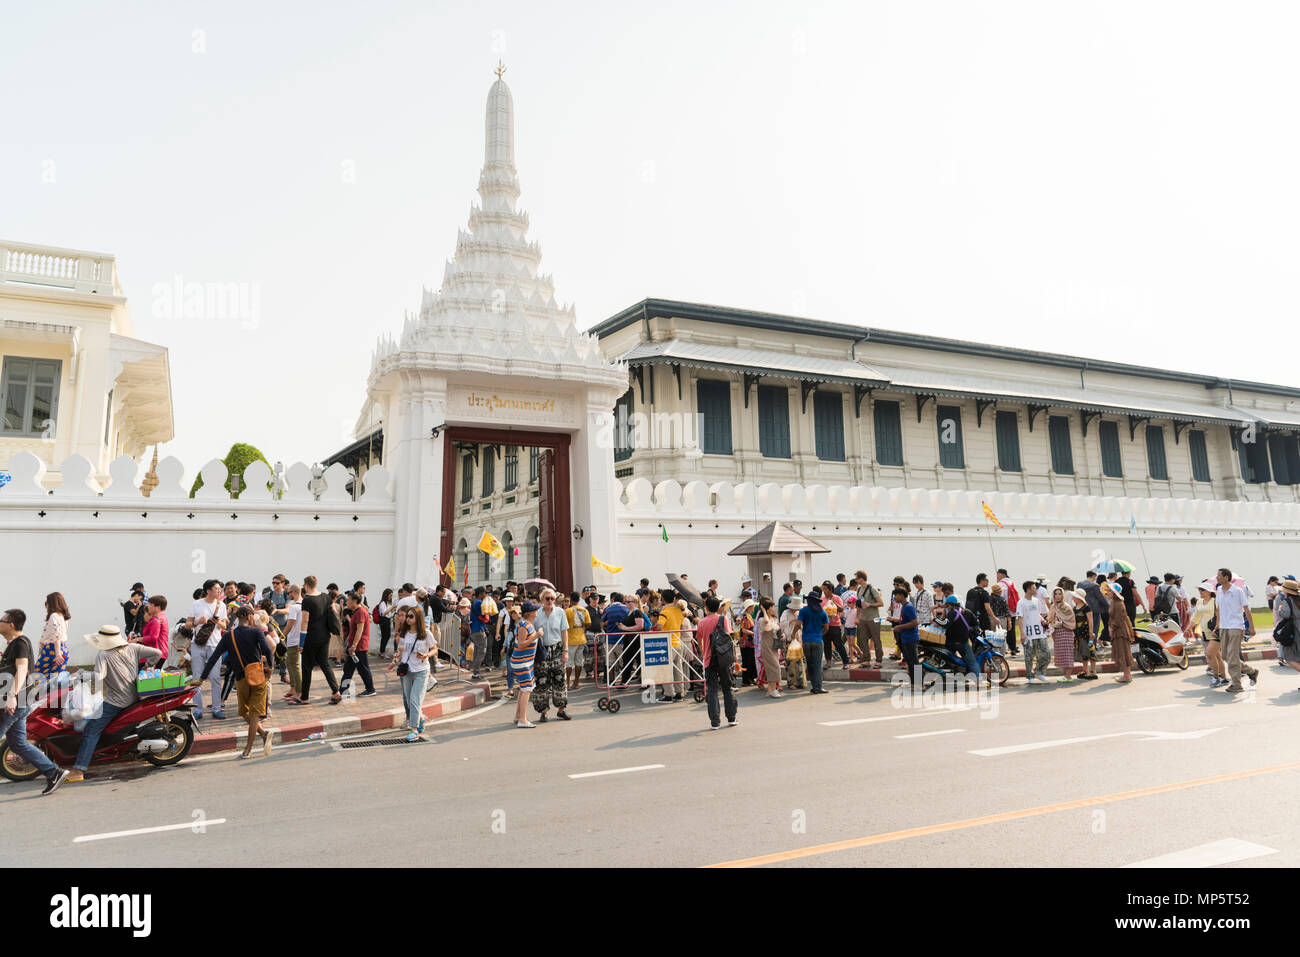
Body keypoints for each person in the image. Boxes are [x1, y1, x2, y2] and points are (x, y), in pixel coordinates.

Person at [66, 624, 164, 780]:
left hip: (117, 701)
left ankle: (79, 769)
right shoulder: (133, 647)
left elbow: (98, 677)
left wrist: (81, 675)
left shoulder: (104, 655)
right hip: (135, 695)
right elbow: (158, 653)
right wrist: (147, 666)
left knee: (91, 730)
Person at [0, 609, 70, 795]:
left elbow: (22, 670)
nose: (0, 623)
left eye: (2, 620)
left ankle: (53, 771)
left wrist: (12, 696)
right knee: (18, 744)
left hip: (16, 702)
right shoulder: (12, 645)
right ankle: (54, 772)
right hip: (19, 701)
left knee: (17, 743)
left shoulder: (21, 643)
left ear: (11, 624)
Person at [196, 606, 275, 758]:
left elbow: (213, 658)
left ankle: (250, 747)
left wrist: (201, 678)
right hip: (258, 677)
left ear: (238, 617)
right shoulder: (257, 632)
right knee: (250, 715)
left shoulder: (228, 636)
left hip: (240, 679)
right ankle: (261, 737)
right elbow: (268, 650)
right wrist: (270, 667)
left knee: (247, 714)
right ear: (249, 616)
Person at [291, 575, 342, 706]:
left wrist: (301, 642)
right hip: (325, 636)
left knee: (307, 667)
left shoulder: (307, 600)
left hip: (311, 637)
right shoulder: (326, 597)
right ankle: (336, 691)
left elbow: (305, 621)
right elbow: (331, 615)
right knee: (325, 664)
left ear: (306, 586)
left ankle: (304, 697)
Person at [389, 606, 435, 741]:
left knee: (415, 699)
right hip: (407, 671)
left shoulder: (426, 633)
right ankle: (421, 718)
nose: (407, 619)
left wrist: (426, 655)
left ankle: (414, 730)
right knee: (409, 701)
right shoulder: (404, 633)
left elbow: (435, 649)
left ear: (418, 618)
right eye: (406, 616)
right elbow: (400, 650)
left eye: (410, 616)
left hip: (421, 671)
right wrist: (394, 661)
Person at [186, 579, 228, 719]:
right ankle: (198, 710)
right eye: (216, 588)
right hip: (198, 644)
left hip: (215, 644)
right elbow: (187, 624)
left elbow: (224, 626)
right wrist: (198, 622)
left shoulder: (221, 605)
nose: (219, 591)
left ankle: (216, 708)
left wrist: (219, 623)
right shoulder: (197, 604)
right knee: (197, 677)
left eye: (220, 589)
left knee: (215, 677)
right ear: (208, 590)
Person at [1214, 568, 1258, 694]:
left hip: (1236, 626)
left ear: (1226, 577)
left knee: (1232, 656)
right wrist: (1217, 625)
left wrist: (1252, 627)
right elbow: (1218, 609)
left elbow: (1246, 609)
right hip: (1224, 627)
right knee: (1225, 656)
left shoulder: (1237, 591)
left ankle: (1236, 684)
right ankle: (1251, 671)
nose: (1217, 578)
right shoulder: (1219, 590)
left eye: (1219, 576)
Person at [697, 597, 738, 729]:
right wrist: (734, 656)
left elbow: (699, 640)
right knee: (727, 687)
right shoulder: (723, 619)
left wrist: (704, 653)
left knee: (713, 690)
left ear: (706, 608)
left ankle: (715, 722)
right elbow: (729, 638)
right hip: (724, 658)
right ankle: (731, 718)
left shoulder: (702, 622)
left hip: (709, 659)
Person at [533, 590, 571, 721]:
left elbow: (564, 631)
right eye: (547, 598)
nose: (550, 601)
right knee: (541, 681)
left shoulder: (560, 612)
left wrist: (565, 651)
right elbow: (531, 632)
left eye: (552, 599)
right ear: (542, 599)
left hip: (557, 650)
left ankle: (561, 710)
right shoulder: (536, 613)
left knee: (560, 680)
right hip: (541, 651)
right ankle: (543, 712)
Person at [338, 592, 377, 698]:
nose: (347, 602)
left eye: (349, 600)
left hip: (359, 647)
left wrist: (354, 646)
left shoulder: (360, 612)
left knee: (363, 669)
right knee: (349, 669)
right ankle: (343, 690)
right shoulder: (356, 612)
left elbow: (359, 630)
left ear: (355, 601)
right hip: (355, 647)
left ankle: (370, 689)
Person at [511, 602, 540, 727]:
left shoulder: (527, 624)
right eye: (535, 610)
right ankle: (522, 719)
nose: (537, 611)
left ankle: (519, 716)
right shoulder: (524, 625)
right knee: (527, 689)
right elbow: (522, 644)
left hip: (525, 661)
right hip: (522, 661)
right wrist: (536, 636)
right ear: (530, 613)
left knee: (524, 689)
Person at [796, 588, 829, 694]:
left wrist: (793, 634)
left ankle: (814, 686)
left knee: (810, 664)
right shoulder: (822, 612)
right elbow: (826, 627)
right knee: (817, 665)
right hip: (818, 640)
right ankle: (818, 687)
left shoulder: (803, 610)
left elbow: (798, 624)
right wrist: (820, 634)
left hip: (806, 641)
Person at [1017, 581, 1051, 684]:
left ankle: (1039, 672)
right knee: (1029, 656)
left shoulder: (1036, 601)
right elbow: (1020, 618)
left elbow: (1038, 613)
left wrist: (1042, 620)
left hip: (1040, 632)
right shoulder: (1021, 602)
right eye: (1033, 588)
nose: (1035, 589)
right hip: (1029, 634)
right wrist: (1022, 633)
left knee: (1046, 653)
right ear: (1028, 589)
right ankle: (1030, 676)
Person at [888, 587, 921, 688]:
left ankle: (920, 684)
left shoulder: (909, 607)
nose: (895, 598)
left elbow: (915, 622)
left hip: (911, 638)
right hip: (905, 638)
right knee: (910, 662)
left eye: (896, 595)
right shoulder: (904, 607)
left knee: (914, 662)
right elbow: (905, 621)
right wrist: (894, 620)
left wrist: (899, 627)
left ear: (902, 595)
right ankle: (913, 683)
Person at [1271, 579, 1300, 688]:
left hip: (1294, 630)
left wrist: (1280, 609)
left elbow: (1286, 615)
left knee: (1289, 657)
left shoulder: (1288, 601)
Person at [1105, 582, 1135, 684]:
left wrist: (1112, 627)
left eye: (1109, 590)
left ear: (1114, 592)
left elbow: (1119, 619)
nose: (1107, 592)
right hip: (1117, 630)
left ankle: (1127, 675)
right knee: (1121, 652)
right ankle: (1127, 675)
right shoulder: (1114, 602)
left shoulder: (1118, 603)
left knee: (1123, 653)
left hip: (1120, 632)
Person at [36, 592, 71, 679]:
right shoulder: (63, 617)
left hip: (52, 650)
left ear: (52, 604)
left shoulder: (53, 616)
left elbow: (56, 636)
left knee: (38, 675)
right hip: (63, 649)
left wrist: (57, 653)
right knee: (54, 678)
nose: (45, 605)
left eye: (46, 603)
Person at [855, 572, 884, 668]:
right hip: (863, 618)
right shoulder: (859, 589)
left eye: (857, 578)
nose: (856, 580)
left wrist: (870, 604)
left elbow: (881, 603)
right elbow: (859, 604)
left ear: (861, 579)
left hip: (874, 618)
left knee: (876, 639)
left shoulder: (872, 589)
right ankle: (866, 660)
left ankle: (879, 660)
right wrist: (857, 617)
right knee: (863, 639)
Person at [1048, 586, 1077, 682]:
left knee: (1067, 654)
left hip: (1066, 632)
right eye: (1056, 594)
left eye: (1060, 594)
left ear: (1063, 595)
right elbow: (1050, 619)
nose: (1058, 596)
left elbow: (1071, 620)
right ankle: (1065, 675)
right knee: (1062, 655)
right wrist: (1051, 623)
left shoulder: (1066, 606)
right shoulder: (1053, 606)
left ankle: (1068, 676)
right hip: (1057, 633)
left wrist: (1061, 623)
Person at [564, 592, 590, 691]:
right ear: (579, 600)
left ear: (571, 600)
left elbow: (564, 625)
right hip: (581, 638)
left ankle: (567, 683)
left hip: (570, 639)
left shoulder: (567, 611)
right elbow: (588, 624)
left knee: (569, 663)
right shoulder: (584, 610)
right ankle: (576, 682)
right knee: (579, 662)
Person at [1071, 589, 1098, 680]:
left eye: (1075, 596)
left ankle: (1093, 671)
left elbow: (1090, 621)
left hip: (1086, 633)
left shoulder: (1086, 607)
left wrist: (1091, 632)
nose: (1073, 598)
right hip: (1078, 633)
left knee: (1090, 652)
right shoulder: (1075, 608)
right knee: (1083, 653)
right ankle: (1086, 671)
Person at [996, 568, 1020, 655]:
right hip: (1013, 609)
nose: (997, 576)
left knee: (1002, 630)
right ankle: (1013, 648)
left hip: (1004, 612)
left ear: (1002, 574)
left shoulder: (1000, 584)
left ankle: (1004, 649)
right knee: (1012, 630)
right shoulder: (1011, 582)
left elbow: (1000, 598)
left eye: (998, 574)